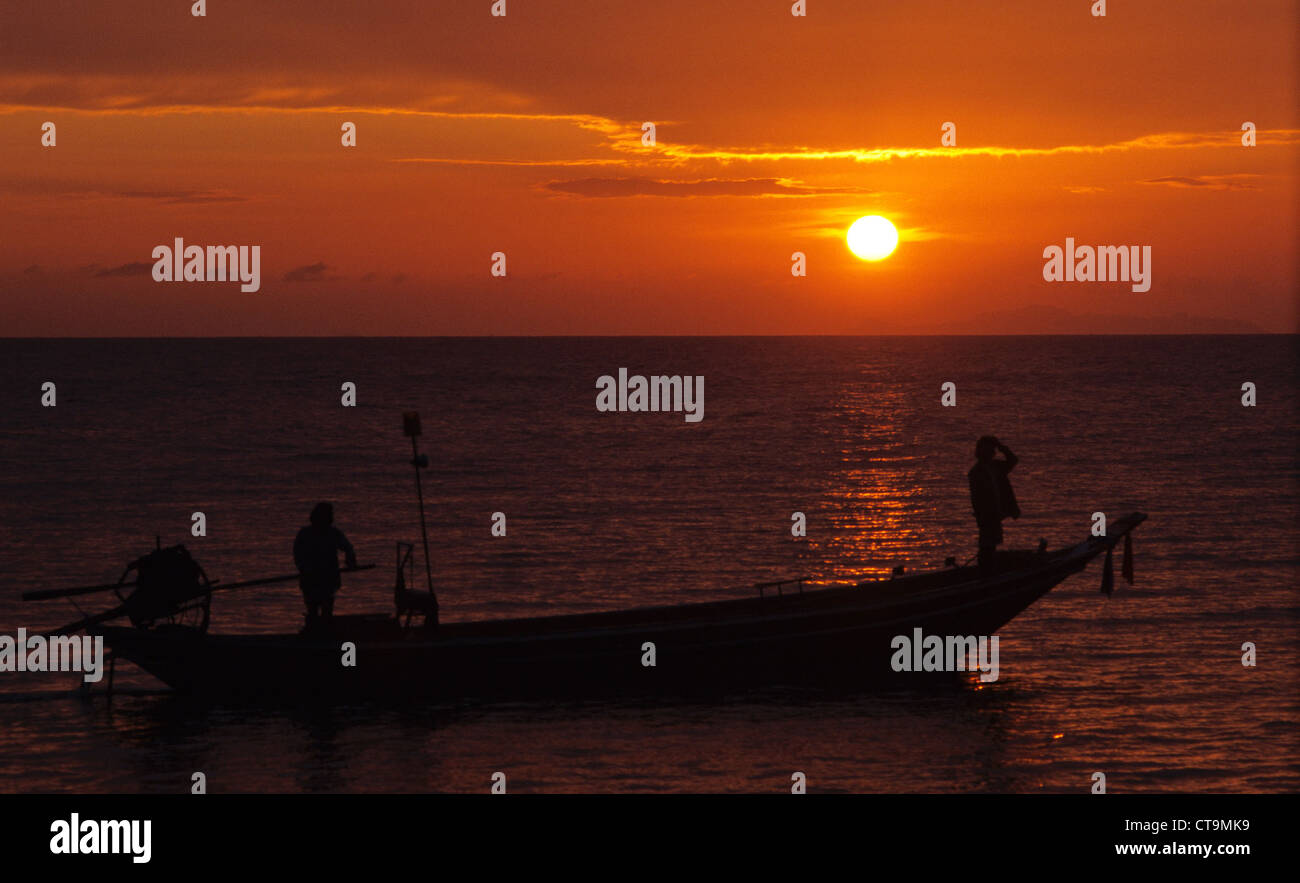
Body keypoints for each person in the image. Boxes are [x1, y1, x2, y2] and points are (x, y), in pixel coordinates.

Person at [293, 502, 357, 626]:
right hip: (311, 578)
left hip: (327, 578)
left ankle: (322, 633)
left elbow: (348, 548)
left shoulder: (332, 533)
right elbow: (298, 555)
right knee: (314, 609)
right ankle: (315, 633)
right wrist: (304, 568)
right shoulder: (306, 534)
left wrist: (350, 562)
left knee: (325, 609)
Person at [968, 436, 1020, 571]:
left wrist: (1001, 447)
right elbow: (977, 497)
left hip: (996, 512)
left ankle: (988, 568)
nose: (990, 451)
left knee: (993, 540)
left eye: (991, 448)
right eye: (987, 448)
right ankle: (985, 570)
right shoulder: (976, 472)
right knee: (987, 542)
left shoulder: (995, 466)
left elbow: (1013, 460)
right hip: (986, 513)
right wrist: (982, 513)